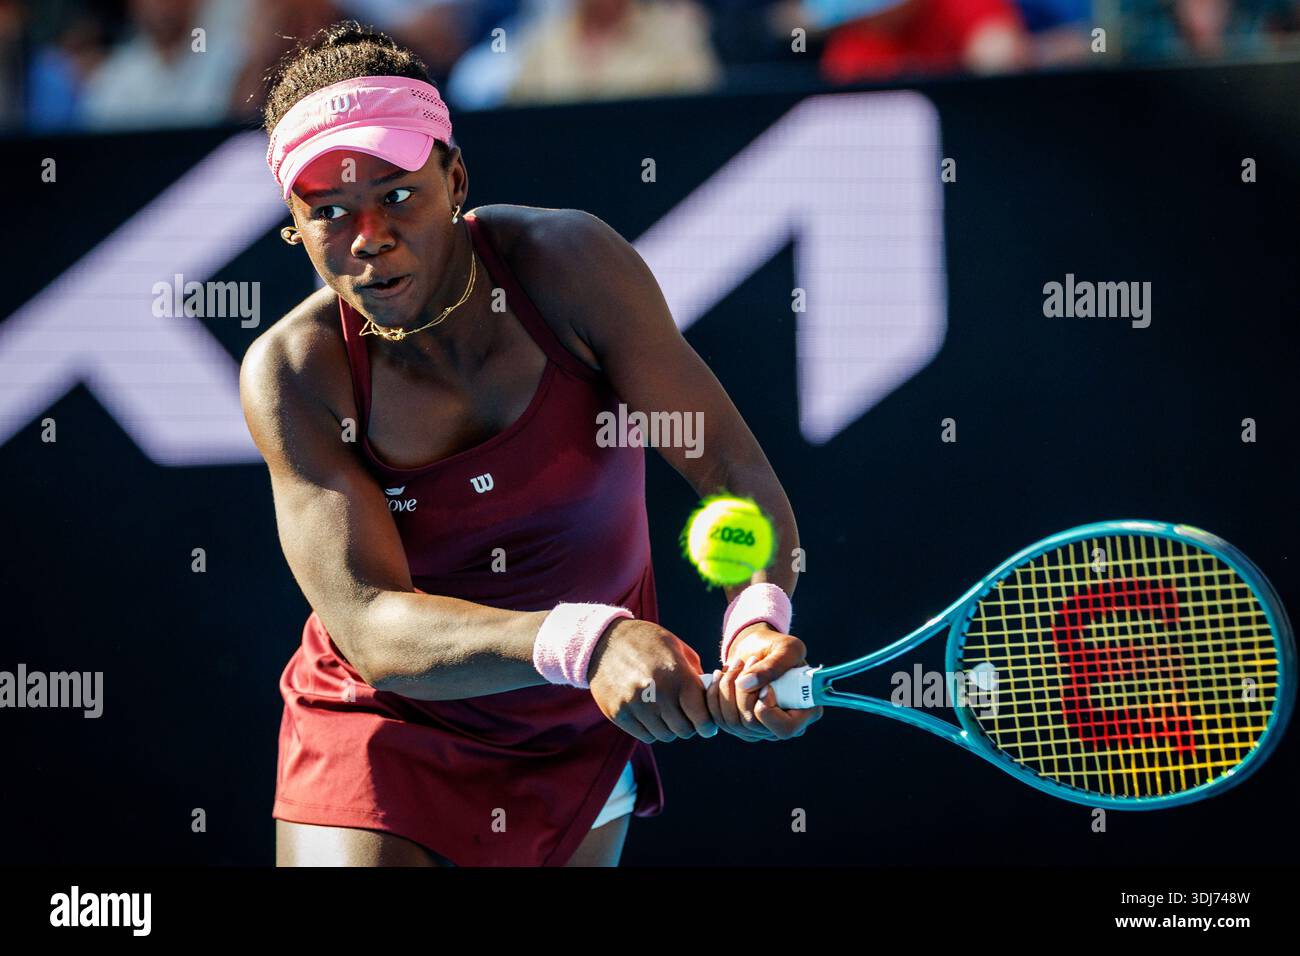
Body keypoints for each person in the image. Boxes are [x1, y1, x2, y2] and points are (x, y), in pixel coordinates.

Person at [240, 20, 821, 867]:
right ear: (296, 228)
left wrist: (755, 622)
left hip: (577, 734)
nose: (368, 235)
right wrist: (590, 641)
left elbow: (728, 470)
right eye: (328, 213)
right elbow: (370, 626)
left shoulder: (570, 266)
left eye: (397, 193)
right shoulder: (294, 374)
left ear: (456, 177)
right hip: (385, 730)